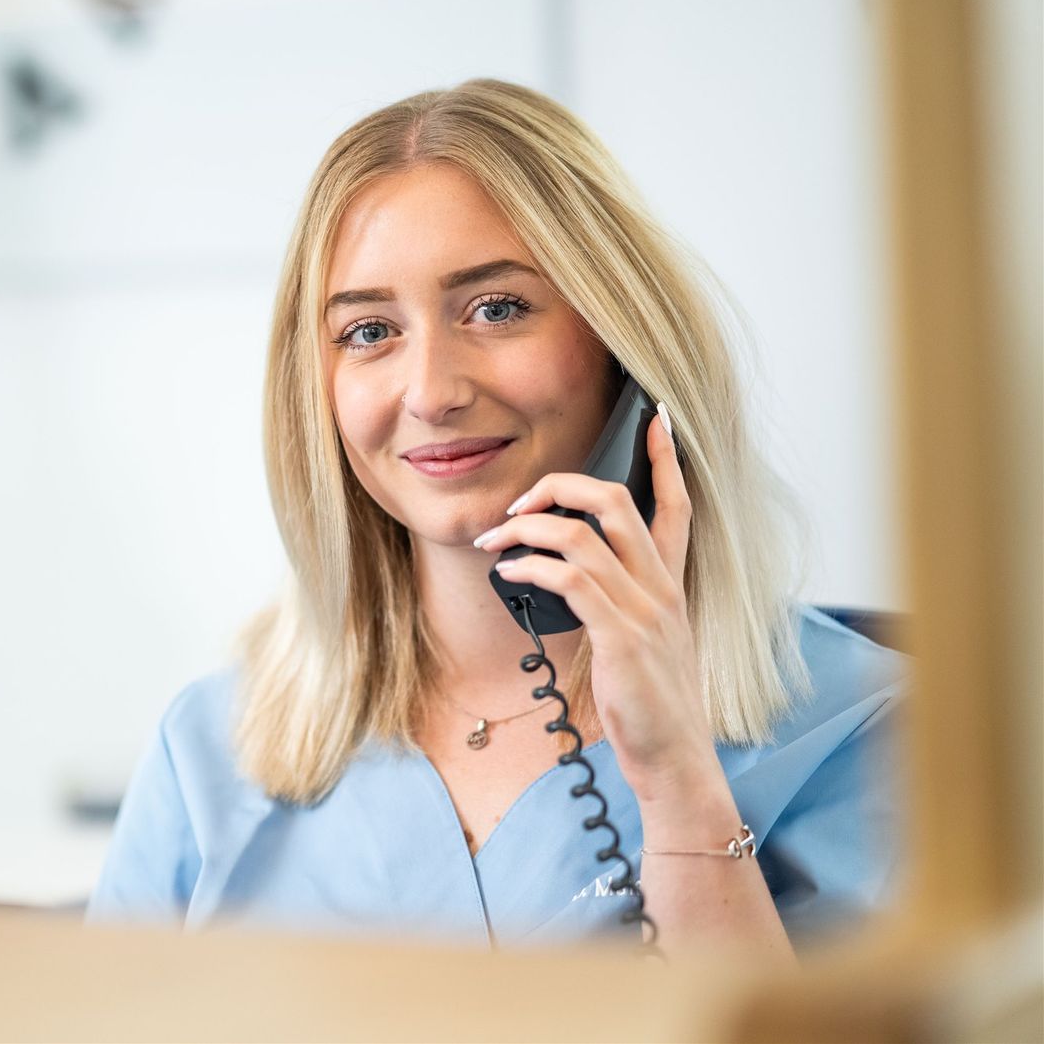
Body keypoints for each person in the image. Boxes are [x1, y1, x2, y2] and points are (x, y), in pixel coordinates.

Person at [83, 78, 910, 961]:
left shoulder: (862, 726)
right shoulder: (210, 747)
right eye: (368, 331)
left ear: (623, 347)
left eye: (498, 308)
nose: (433, 393)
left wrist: (676, 783)